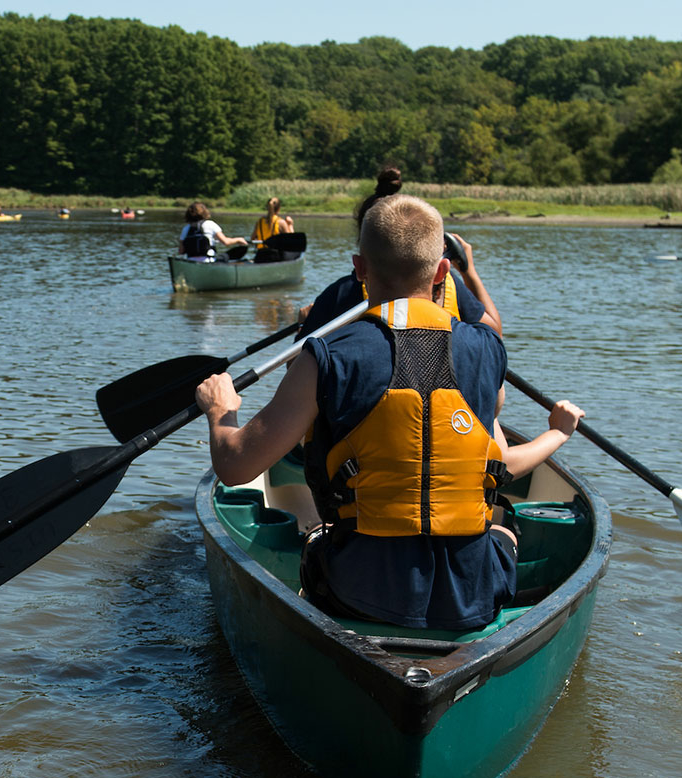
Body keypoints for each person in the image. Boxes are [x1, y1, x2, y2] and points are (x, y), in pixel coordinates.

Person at [195, 194, 585, 630]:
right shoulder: (488, 349)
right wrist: (557, 432)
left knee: (318, 533)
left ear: (360, 269)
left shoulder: (324, 355)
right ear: (442, 272)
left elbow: (234, 466)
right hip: (471, 596)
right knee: (503, 528)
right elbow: (498, 458)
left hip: (357, 595)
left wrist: (221, 410)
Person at [297, 166, 501, 338]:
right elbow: (494, 335)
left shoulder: (342, 293)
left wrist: (304, 325)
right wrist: (468, 271)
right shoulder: (447, 283)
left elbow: (295, 364)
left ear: (360, 258)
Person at [177, 202, 247, 259]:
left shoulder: (186, 228)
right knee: (241, 249)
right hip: (208, 261)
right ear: (205, 212)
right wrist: (238, 240)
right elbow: (226, 242)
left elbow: (181, 251)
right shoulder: (210, 224)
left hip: (190, 261)